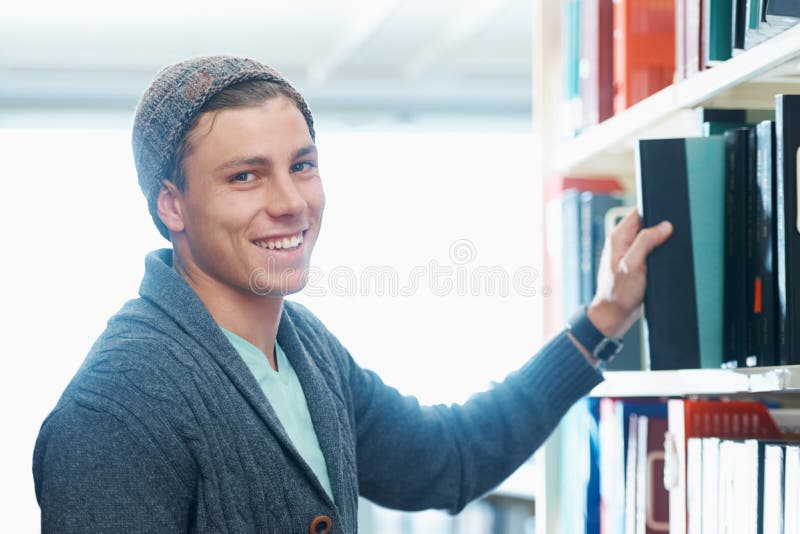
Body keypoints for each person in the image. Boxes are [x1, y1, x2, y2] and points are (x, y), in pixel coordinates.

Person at [32, 55, 672, 533]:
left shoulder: (305, 347)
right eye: (245, 176)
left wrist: (603, 319)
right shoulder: (113, 409)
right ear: (172, 203)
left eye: (302, 166)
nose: (289, 203)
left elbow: (447, 459)